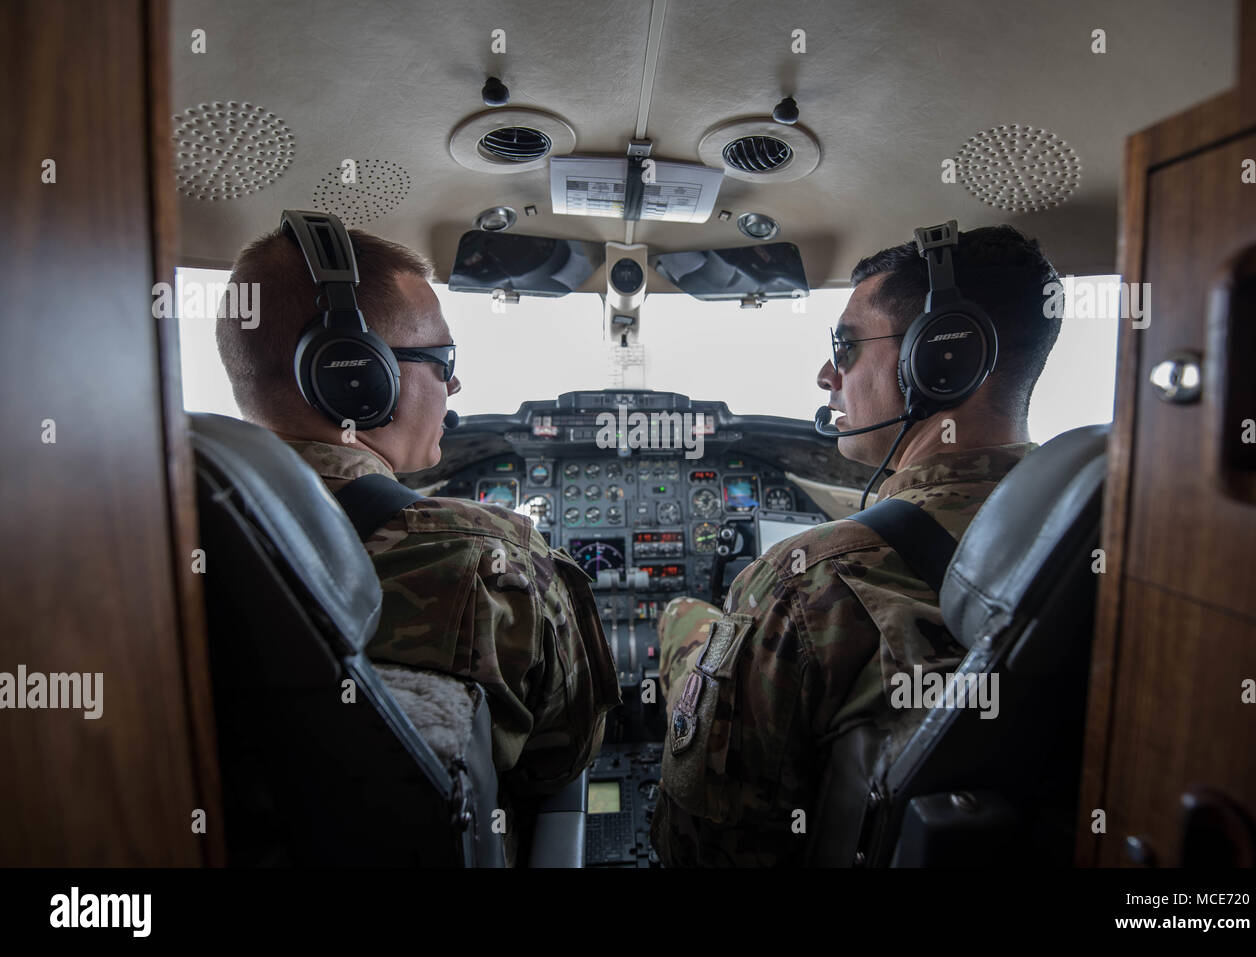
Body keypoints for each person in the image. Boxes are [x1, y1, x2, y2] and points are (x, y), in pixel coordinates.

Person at [651, 225, 1061, 866]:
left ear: (941, 356)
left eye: (844, 347)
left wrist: (692, 648)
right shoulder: (1113, 540)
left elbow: (699, 847)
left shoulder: (808, 581)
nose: (825, 375)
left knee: (685, 618)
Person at [215, 225, 621, 808]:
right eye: (441, 359)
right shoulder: (487, 553)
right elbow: (561, 760)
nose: (453, 382)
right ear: (355, 375)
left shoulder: (150, 533)